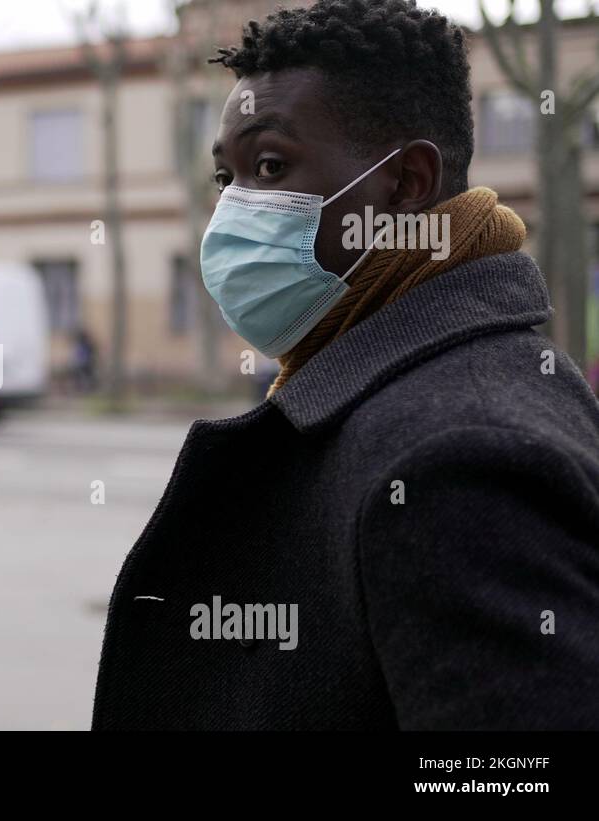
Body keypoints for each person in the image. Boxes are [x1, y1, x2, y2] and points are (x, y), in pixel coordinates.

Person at [92, 0, 599, 730]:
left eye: (270, 165)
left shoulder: (458, 453)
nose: (233, 212)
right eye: (226, 177)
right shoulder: (409, 383)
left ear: (405, 183)